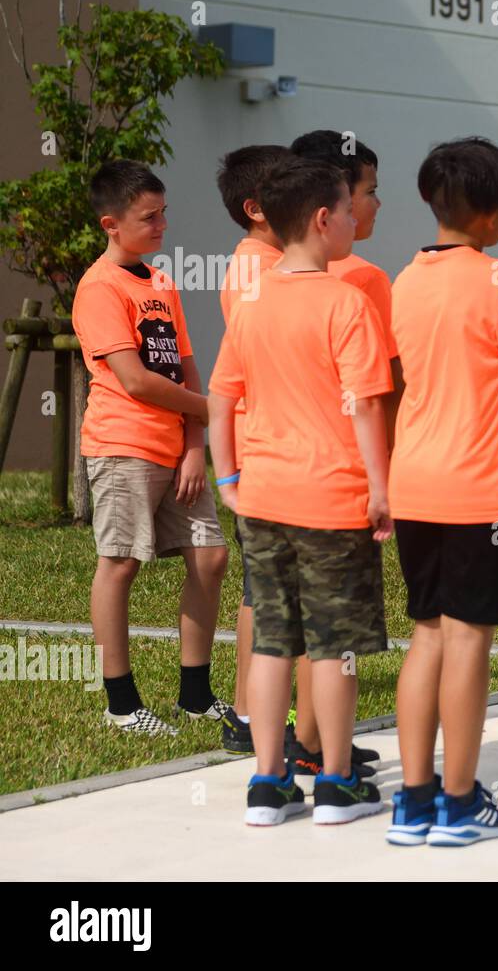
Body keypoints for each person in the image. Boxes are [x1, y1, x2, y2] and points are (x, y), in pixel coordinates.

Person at [208, 156, 393, 826]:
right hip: (332, 499)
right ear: (321, 220)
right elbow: (366, 406)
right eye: (346, 209)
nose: (353, 220)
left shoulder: (252, 300)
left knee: (273, 641)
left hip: (263, 495)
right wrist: (381, 488)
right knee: (333, 645)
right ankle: (336, 783)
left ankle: (268, 784)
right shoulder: (347, 302)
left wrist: (228, 478)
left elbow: (222, 397)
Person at [385, 137, 498, 846]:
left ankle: (413, 800)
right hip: (479, 489)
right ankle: (459, 803)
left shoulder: (403, 280)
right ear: (490, 215)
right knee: (468, 642)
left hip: (413, 481)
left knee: (425, 636)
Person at [71, 160, 229, 736]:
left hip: (174, 447)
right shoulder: (99, 288)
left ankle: (195, 696)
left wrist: (195, 443)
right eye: (149, 217)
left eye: (164, 213)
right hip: (123, 445)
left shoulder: (161, 283)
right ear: (111, 224)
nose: (163, 225)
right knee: (121, 564)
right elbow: (135, 381)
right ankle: (121, 703)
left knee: (210, 556)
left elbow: (185, 367)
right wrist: (212, 409)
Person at [213, 143, 290, 755]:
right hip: (266, 447)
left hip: (266, 444)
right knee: (265, 592)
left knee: (261, 588)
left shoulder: (267, 262)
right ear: (256, 209)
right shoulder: (256, 270)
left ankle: (247, 714)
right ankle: (249, 714)